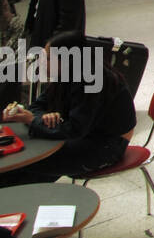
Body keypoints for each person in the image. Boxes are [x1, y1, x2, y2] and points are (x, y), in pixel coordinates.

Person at [0, 32, 135, 186]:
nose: (42, 62)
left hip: (107, 145)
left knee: (25, 165)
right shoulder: (67, 74)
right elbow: (38, 105)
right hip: (85, 134)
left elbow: (74, 129)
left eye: (48, 58)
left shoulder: (92, 81)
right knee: (23, 161)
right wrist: (42, 117)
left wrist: (32, 120)